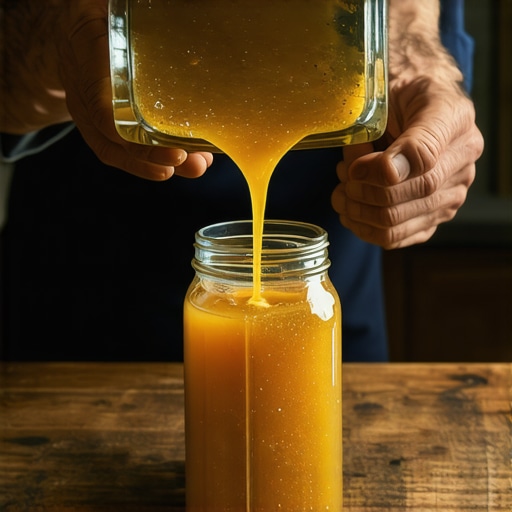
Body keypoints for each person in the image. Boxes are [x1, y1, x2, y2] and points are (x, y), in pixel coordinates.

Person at [0, 0, 484, 362]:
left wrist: (406, 51)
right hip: (80, 292)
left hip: (321, 266)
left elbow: (399, 16)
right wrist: (52, 38)